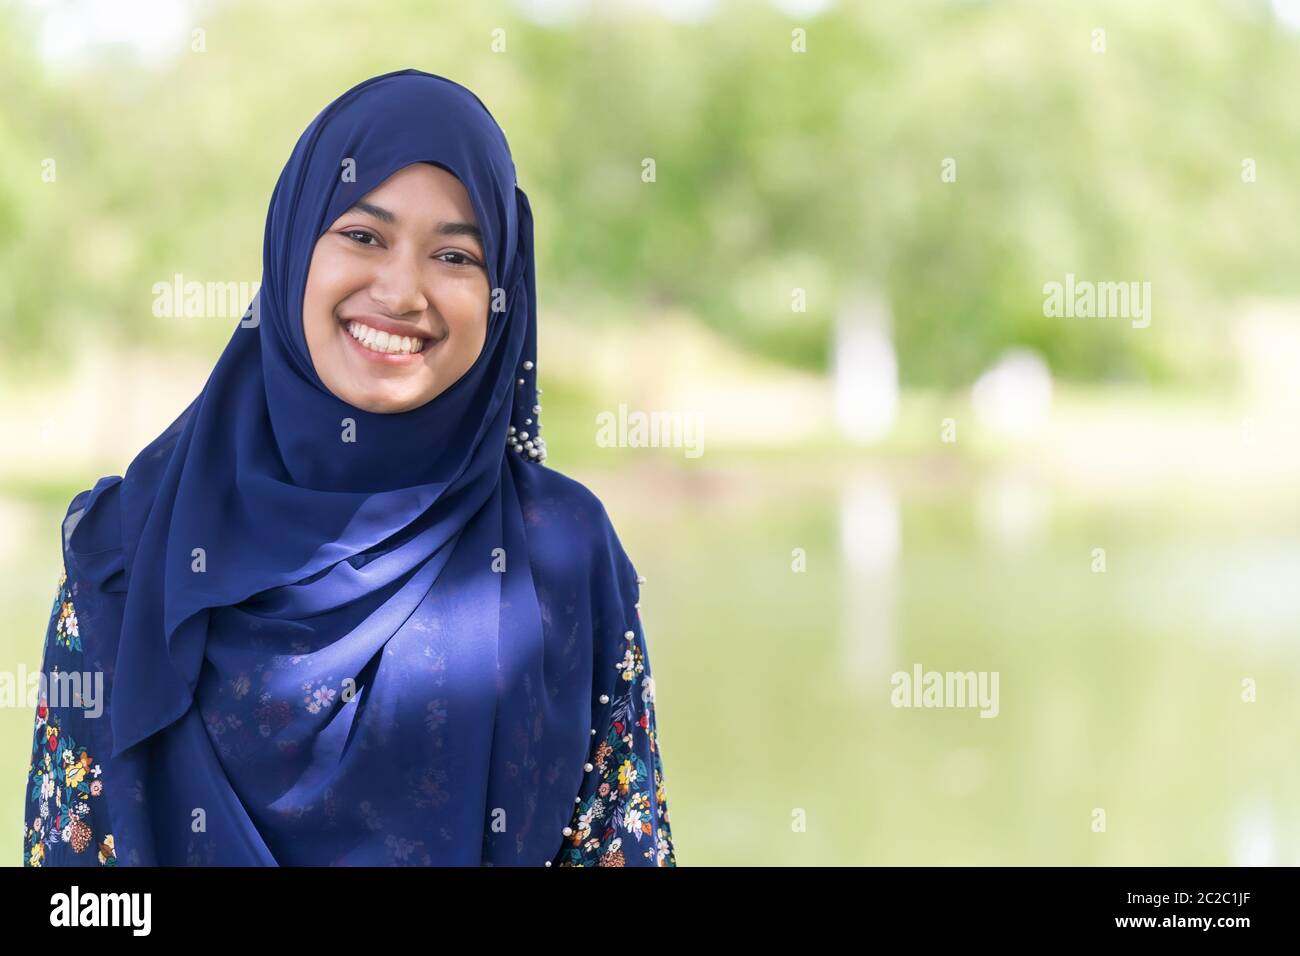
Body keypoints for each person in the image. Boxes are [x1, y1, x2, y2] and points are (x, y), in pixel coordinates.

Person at [20, 69, 676, 867]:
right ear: (295, 244)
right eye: (364, 236)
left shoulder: (559, 551)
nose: (402, 291)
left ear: (503, 287)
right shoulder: (127, 556)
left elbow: (622, 845)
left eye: (455, 255)